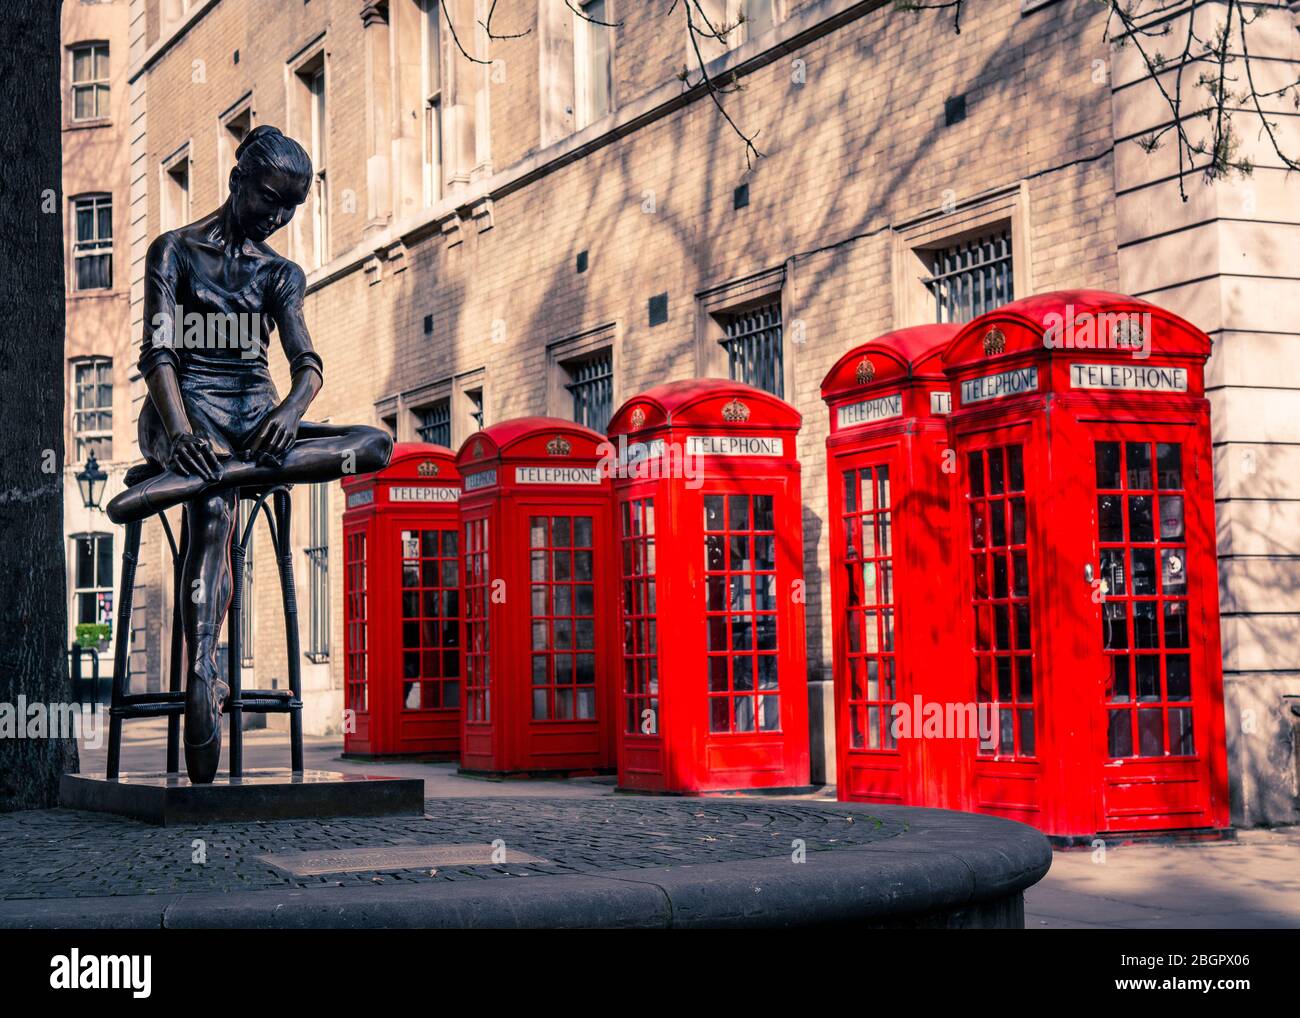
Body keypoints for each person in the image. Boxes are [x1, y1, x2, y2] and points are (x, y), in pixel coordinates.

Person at [107, 125, 393, 783]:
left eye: (291, 207)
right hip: (184, 407)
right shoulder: (172, 251)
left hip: (257, 415)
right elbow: (159, 354)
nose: (278, 217)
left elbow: (307, 364)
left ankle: (224, 474)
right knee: (212, 514)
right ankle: (205, 668)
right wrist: (181, 436)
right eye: (270, 200)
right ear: (239, 181)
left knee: (375, 445)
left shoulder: (280, 273)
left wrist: (290, 416)